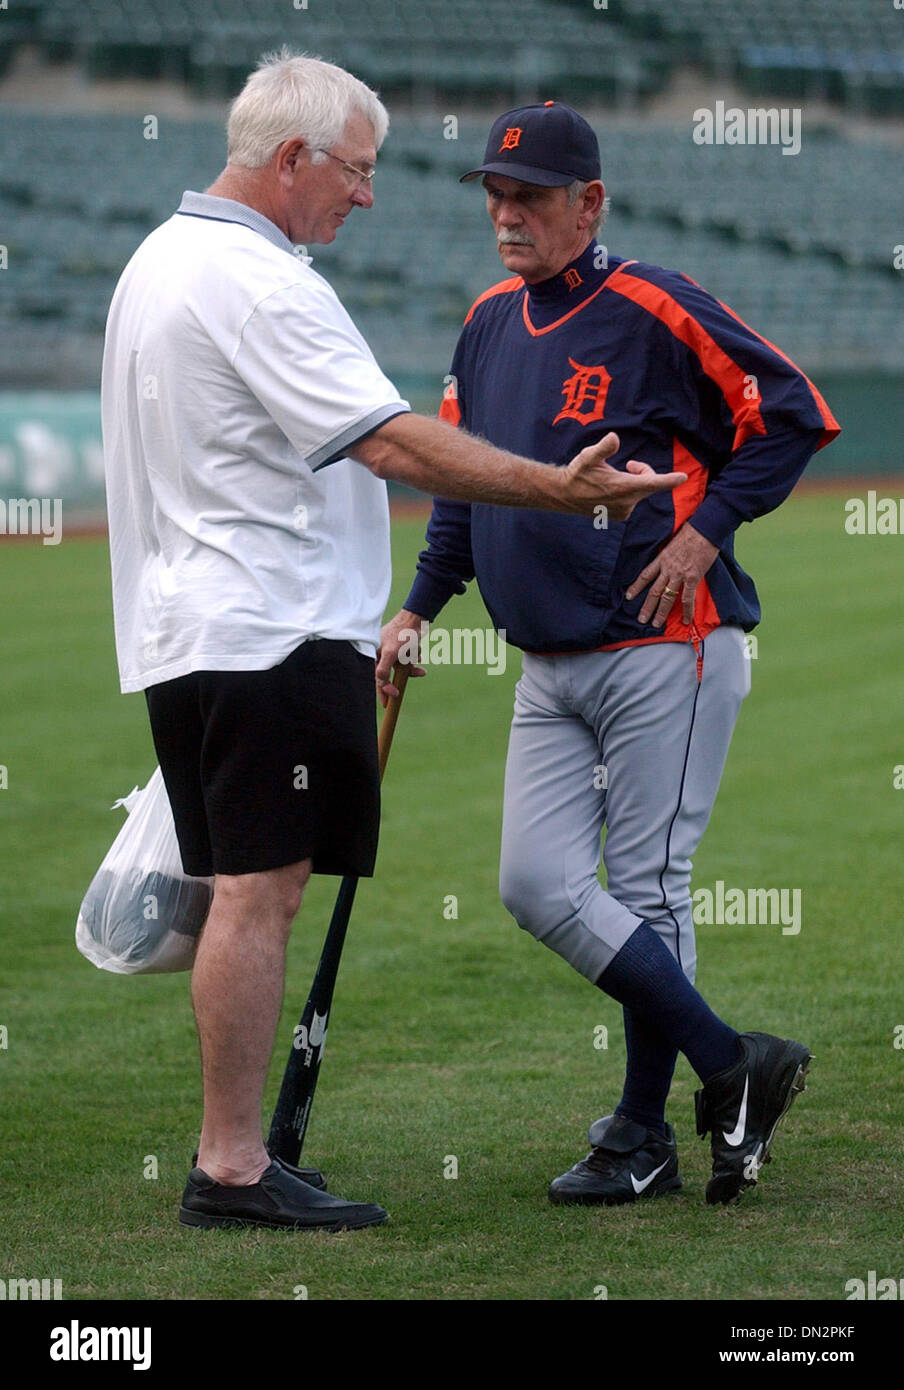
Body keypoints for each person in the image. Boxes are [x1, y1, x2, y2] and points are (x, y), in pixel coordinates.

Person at [100, 58, 684, 1233]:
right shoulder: (260, 280)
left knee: (242, 892)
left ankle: (236, 1154)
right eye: (356, 172)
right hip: (268, 627)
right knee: (260, 896)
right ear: (290, 161)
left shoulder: (158, 259)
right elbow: (395, 445)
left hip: (191, 623)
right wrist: (562, 492)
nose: (366, 196)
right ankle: (229, 1166)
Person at [378, 102, 840, 1206]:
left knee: (644, 888)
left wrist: (704, 527)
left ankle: (641, 1133)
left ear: (589, 203)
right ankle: (735, 1063)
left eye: (530, 196)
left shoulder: (651, 305)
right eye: (495, 193)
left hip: (665, 648)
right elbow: (462, 487)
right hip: (545, 661)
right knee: (535, 884)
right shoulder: (487, 322)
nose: (507, 213)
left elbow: (793, 409)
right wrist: (419, 608)